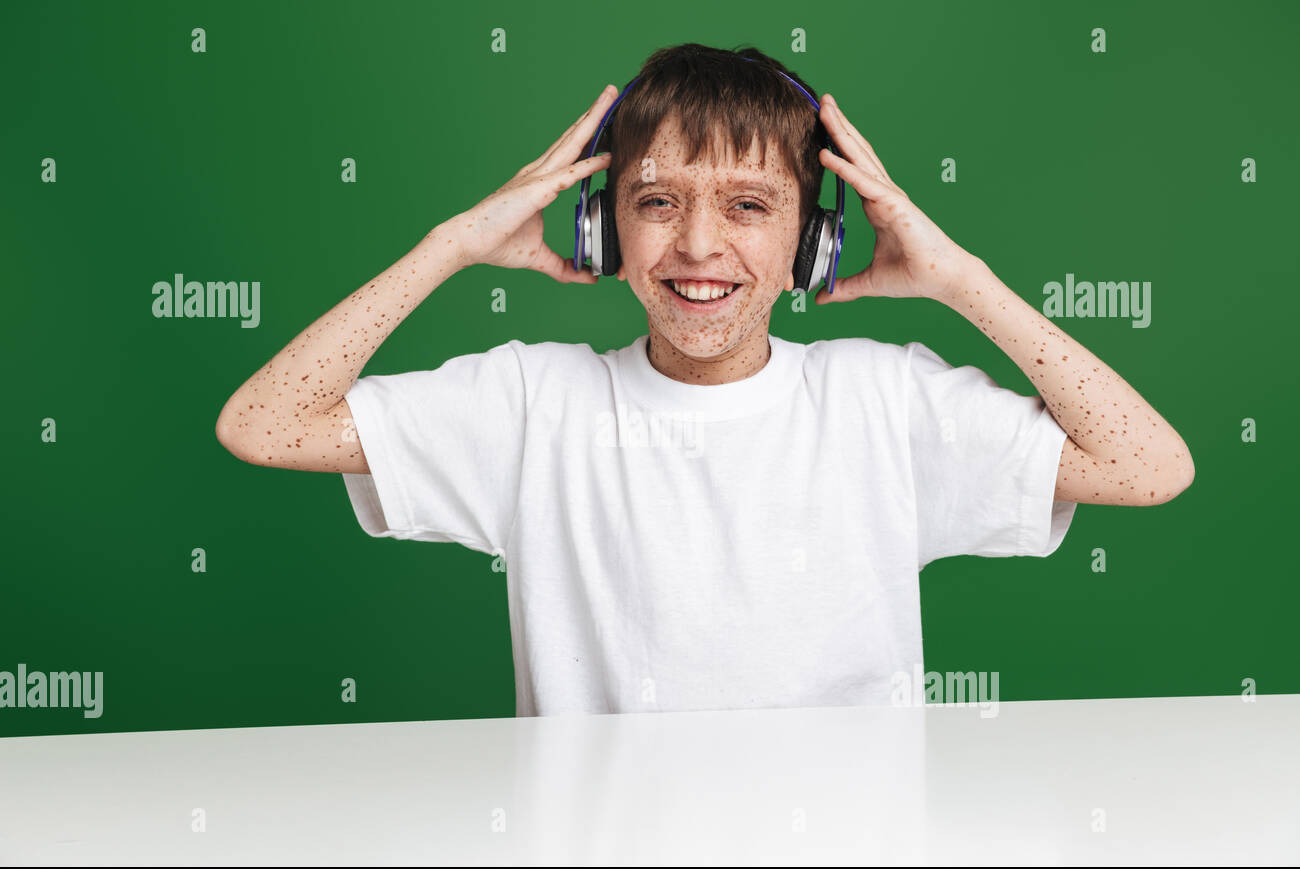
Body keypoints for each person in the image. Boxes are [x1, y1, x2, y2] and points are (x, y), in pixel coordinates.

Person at [215, 44, 1193, 717]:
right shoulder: (530, 405)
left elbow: (1148, 465)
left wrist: (960, 281)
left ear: (811, 240)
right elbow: (262, 424)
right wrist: (450, 247)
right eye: (655, 200)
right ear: (602, 230)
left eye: (747, 204)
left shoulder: (882, 402)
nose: (696, 244)